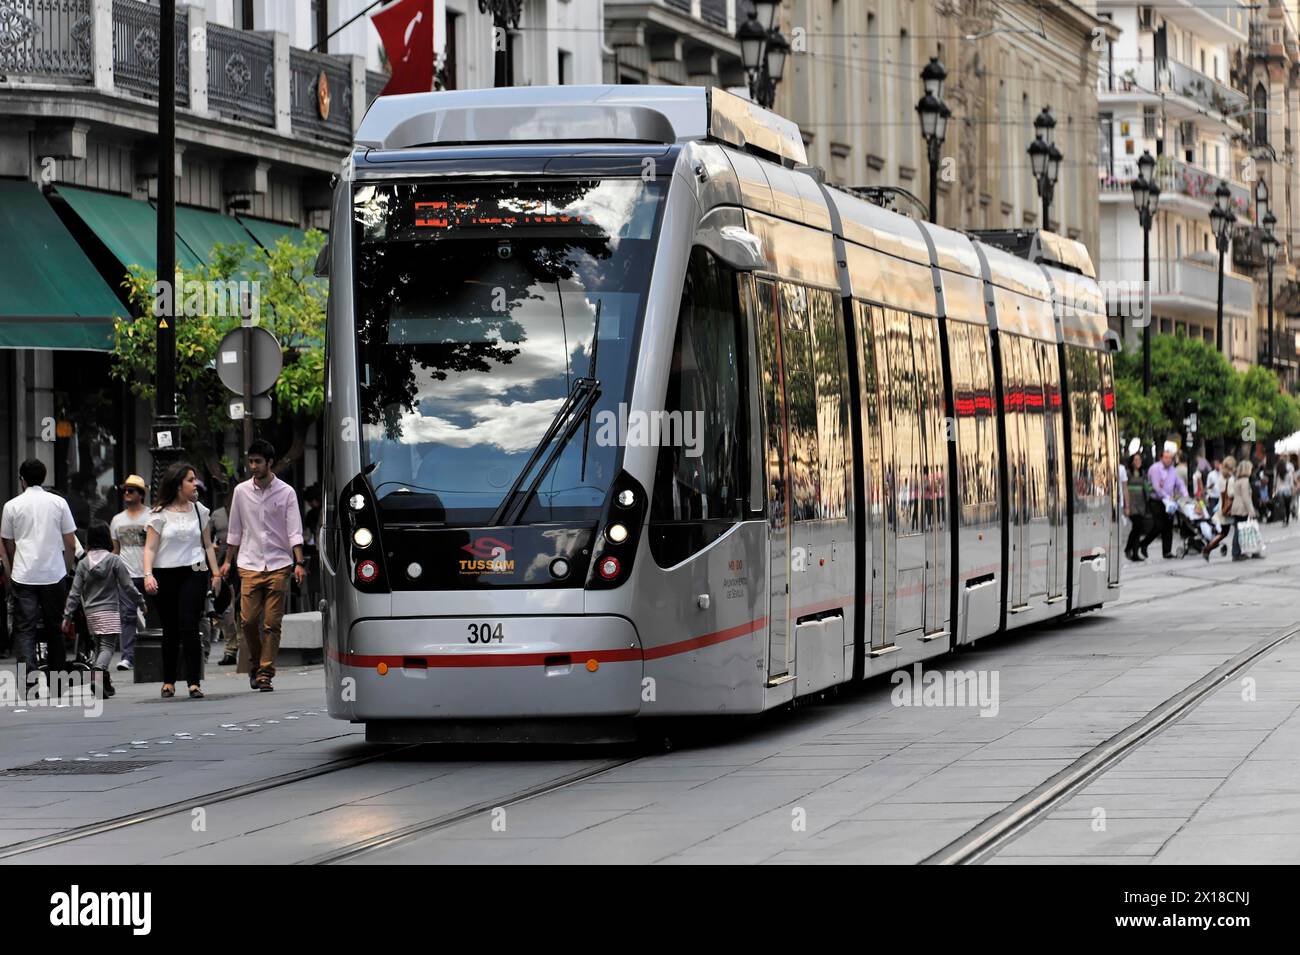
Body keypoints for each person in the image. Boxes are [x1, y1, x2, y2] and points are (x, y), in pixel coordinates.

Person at [220, 440, 306, 692]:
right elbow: (235, 530)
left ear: (270, 463)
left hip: (279, 564)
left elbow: (294, 531)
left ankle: (265, 672)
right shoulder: (241, 492)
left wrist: (299, 562)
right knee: (247, 621)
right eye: (251, 462)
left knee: (271, 623)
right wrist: (227, 562)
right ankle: (256, 665)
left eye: (258, 462)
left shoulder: (287, 492)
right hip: (249, 563)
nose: (253, 466)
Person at [142, 462, 221, 700]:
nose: (194, 483)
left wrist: (216, 574)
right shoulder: (158, 514)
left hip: (195, 571)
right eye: (190, 479)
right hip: (165, 573)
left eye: (194, 479)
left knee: (189, 624)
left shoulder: (200, 510)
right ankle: (168, 681)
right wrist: (148, 574)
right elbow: (150, 548)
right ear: (178, 485)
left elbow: (207, 545)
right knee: (170, 629)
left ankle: (194, 683)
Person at [0, 460, 77, 682]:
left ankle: (29, 679)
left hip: (24, 574)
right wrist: (65, 568)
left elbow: (7, 543)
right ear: (43, 477)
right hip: (54, 573)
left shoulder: (11, 506)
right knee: (55, 627)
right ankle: (58, 679)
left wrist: (12, 568)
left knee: (25, 629)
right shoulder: (59, 503)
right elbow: (70, 543)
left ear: (22, 479)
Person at [62, 521, 143, 699]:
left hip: (91, 612)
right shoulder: (114, 560)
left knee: (99, 645)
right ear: (107, 538)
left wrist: (67, 615)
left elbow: (75, 593)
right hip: (110, 610)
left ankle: (104, 684)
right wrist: (140, 601)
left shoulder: (83, 563)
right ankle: (97, 674)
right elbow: (128, 586)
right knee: (108, 647)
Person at [109, 474, 150, 671]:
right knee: (127, 616)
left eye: (131, 490)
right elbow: (116, 550)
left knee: (152, 614)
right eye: (124, 490)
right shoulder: (117, 520)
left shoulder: (151, 516)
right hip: (126, 574)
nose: (126, 493)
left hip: (148, 572)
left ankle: (150, 652)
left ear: (141, 494)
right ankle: (128, 656)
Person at [208, 489, 241, 666]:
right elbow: (207, 538)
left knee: (243, 608)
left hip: (246, 562)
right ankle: (230, 649)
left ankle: (246, 649)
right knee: (225, 608)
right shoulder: (217, 515)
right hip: (223, 565)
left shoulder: (247, 509)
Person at [1140, 445, 1188, 559]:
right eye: (1166, 458)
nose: (1168, 460)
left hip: (1169, 502)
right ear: (1161, 458)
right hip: (1156, 500)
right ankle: (1144, 543)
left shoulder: (1173, 470)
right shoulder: (1155, 468)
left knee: (1168, 525)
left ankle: (1167, 551)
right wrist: (1167, 496)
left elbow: (1179, 483)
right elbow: (1156, 487)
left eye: (1170, 458)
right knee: (1159, 525)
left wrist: (1185, 494)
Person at [1124, 452, 1149, 562]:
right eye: (1136, 460)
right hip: (1132, 504)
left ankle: (1132, 550)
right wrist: (1127, 506)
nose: (1138, 462)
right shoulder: (1128, 474)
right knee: (1137, 526)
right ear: (1132, 462)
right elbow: (1125, 489)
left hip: (1141, 504)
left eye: (1139, 460)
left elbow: (1146, 488)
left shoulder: (1143, 473)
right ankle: (1132, 551)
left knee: (1137, 529)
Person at [1275, 456, 1293, 527]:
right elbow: (1291, 484)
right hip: (1287, 491)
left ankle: (1283, 519)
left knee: (1281, 507)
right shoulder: (1289, 474)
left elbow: (1275, 484)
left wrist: (1275, 491)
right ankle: (1287, 520)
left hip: (1280, 492)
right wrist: (1292, 490)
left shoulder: (1278, 475)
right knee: (1287, 506)